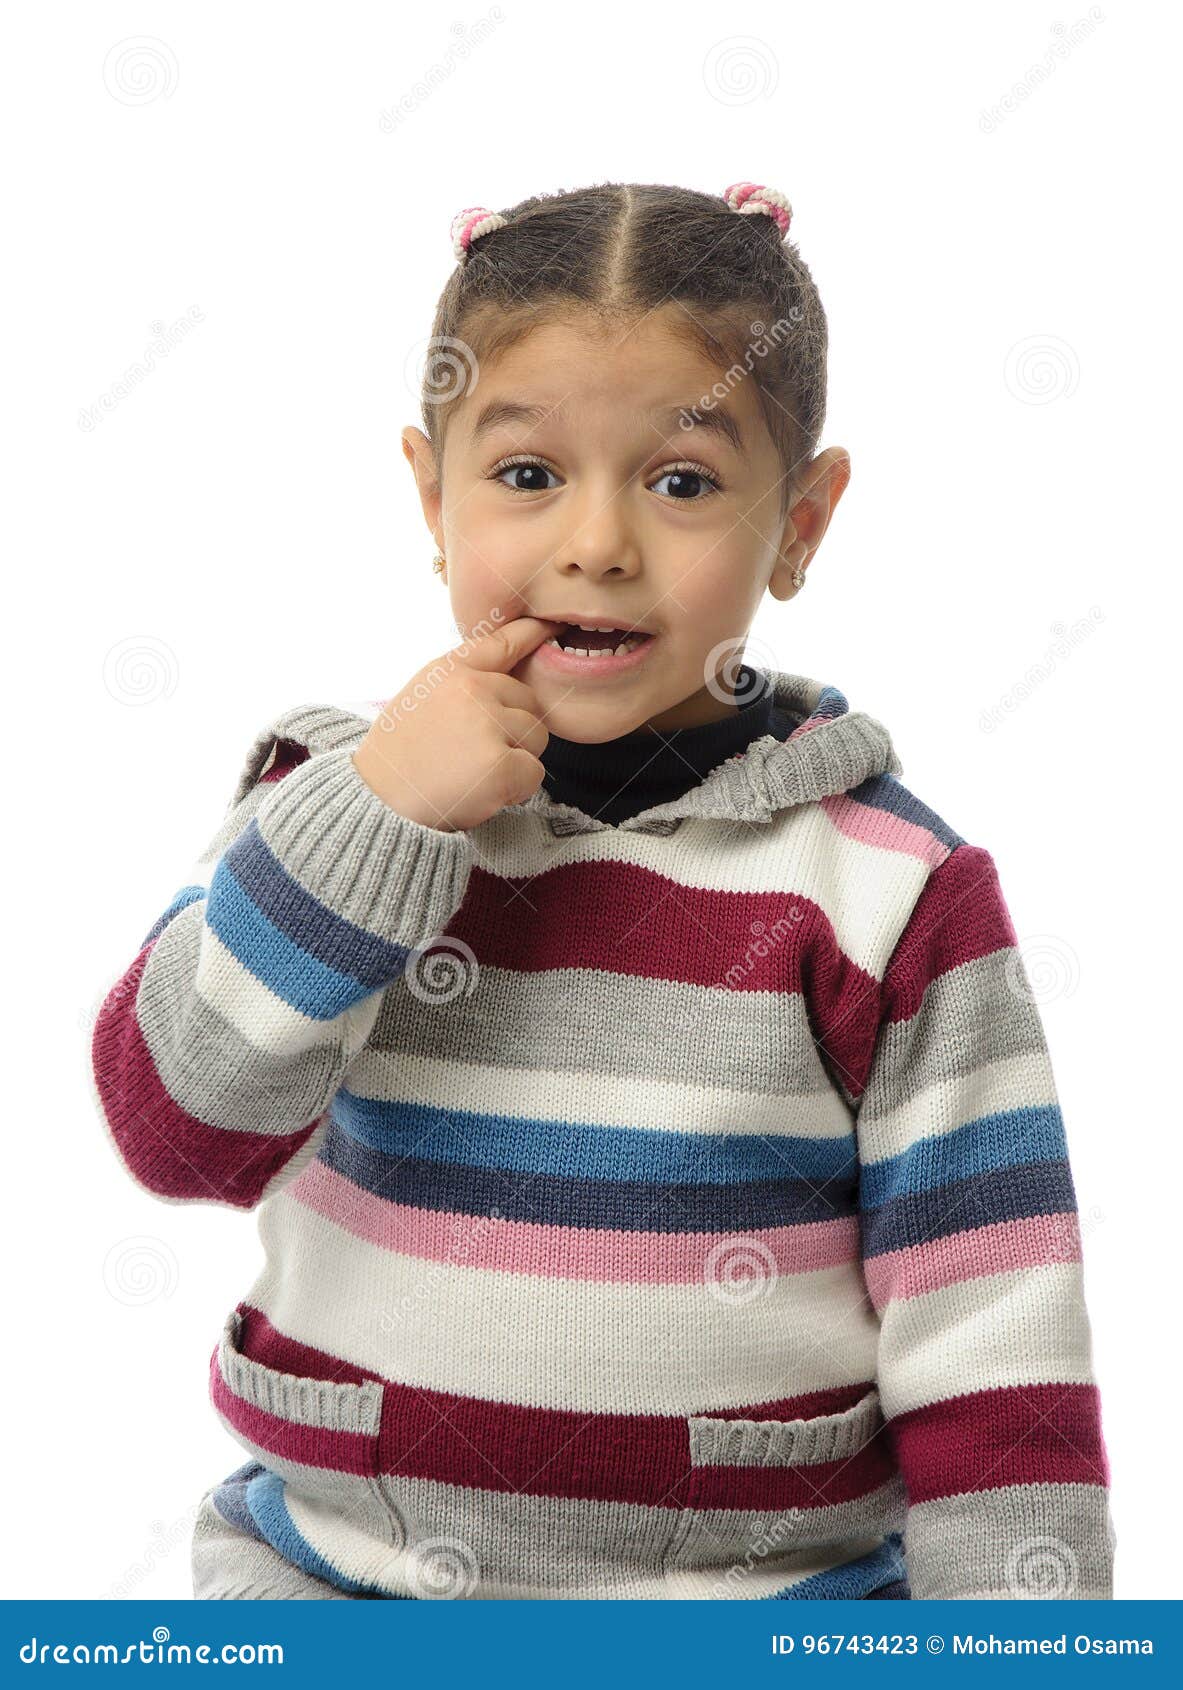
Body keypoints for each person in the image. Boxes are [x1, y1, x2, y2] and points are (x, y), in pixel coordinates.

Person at [90, 179, 1115, 1601]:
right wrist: (380, 812)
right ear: (428, 496)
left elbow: (992, 1333)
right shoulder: (323, 810)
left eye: (683, 481)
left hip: (765, 1603)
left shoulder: (890, 892)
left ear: (804, 522)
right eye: (526, 475)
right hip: (340, 1572)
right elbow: (174, 1127)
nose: (598, 543)